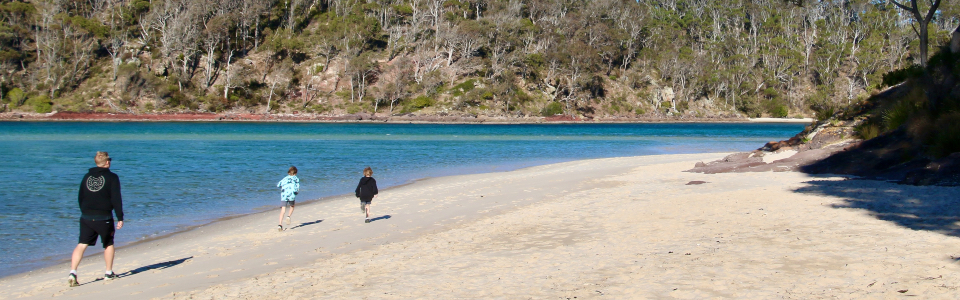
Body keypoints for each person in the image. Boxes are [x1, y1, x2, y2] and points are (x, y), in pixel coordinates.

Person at [68, 151, 124, 287]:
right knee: (108, 243)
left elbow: (80, 196)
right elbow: (116, 198)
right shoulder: (112, 177)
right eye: (109, 160)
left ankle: (73, 272)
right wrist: (120, 217)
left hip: (86, 216)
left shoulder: (87, 177)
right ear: (107, 162)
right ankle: (108, 273)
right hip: (103, 216)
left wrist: (84, 211)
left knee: (82, 244)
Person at [277, 166, 300, 231]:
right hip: (291, 195)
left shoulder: (285, 178)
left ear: (288, 172)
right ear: (295, 173)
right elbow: (297, 188)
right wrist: (296, 192)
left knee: (283, 210)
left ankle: (280, 225)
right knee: (292, 206)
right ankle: (288, 216)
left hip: (284, 195)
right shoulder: (296, 179)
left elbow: (278, 185)